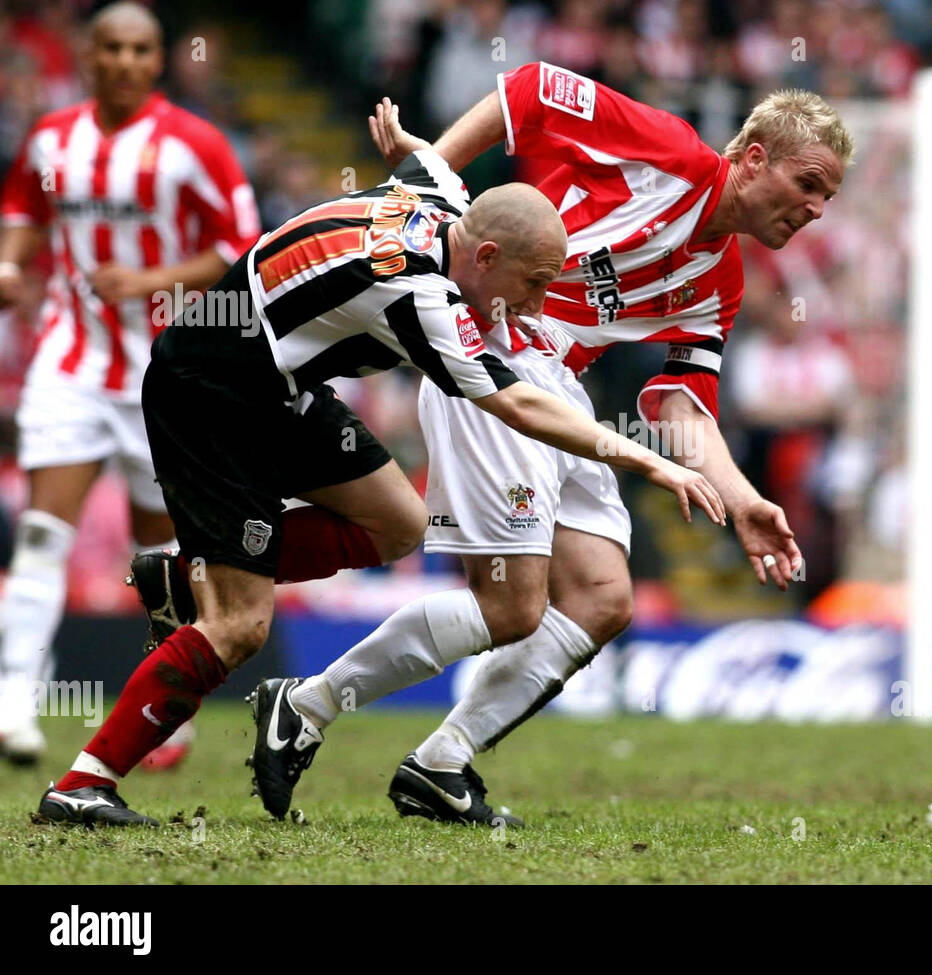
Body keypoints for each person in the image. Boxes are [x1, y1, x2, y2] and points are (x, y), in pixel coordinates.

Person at [238, 62, 853, 826]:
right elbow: (530, 90)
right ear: (754, 157)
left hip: (559, 388)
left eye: (828, 196)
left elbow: (677, 402)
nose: (818, 207)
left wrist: (742, 495)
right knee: (513, 603)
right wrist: (422, 179)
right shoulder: (667, 152)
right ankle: (305, 705)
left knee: (602, 598)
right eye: (809, 183)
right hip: (492, 358)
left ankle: (440, 764)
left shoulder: (720, 279)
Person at [36, 147, 724, 827]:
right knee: (240, 625)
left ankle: (185, 584)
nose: (536, 306)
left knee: (397, 521)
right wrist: (652, 462)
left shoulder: (434, 203)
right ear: (485, 258)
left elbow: (431, 159)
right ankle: (84, 781)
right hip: (211, 398)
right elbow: (519, 406)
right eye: (534, 283)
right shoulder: (419, 294)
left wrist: (406, 141)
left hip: (279, 386)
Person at [0, 2, 259, 765]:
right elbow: (23, 206)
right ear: (89, 54)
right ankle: (14, 700)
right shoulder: (53, 138)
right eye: (108, 47)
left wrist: (150, 277)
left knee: (163, 559)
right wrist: (13, 263)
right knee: (45, 534)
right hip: (71, 360)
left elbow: (240, 248)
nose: (121, 61)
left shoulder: (195, 144)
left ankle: (165, 713)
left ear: (158, 60)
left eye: (138, 49)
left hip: (164, 376)